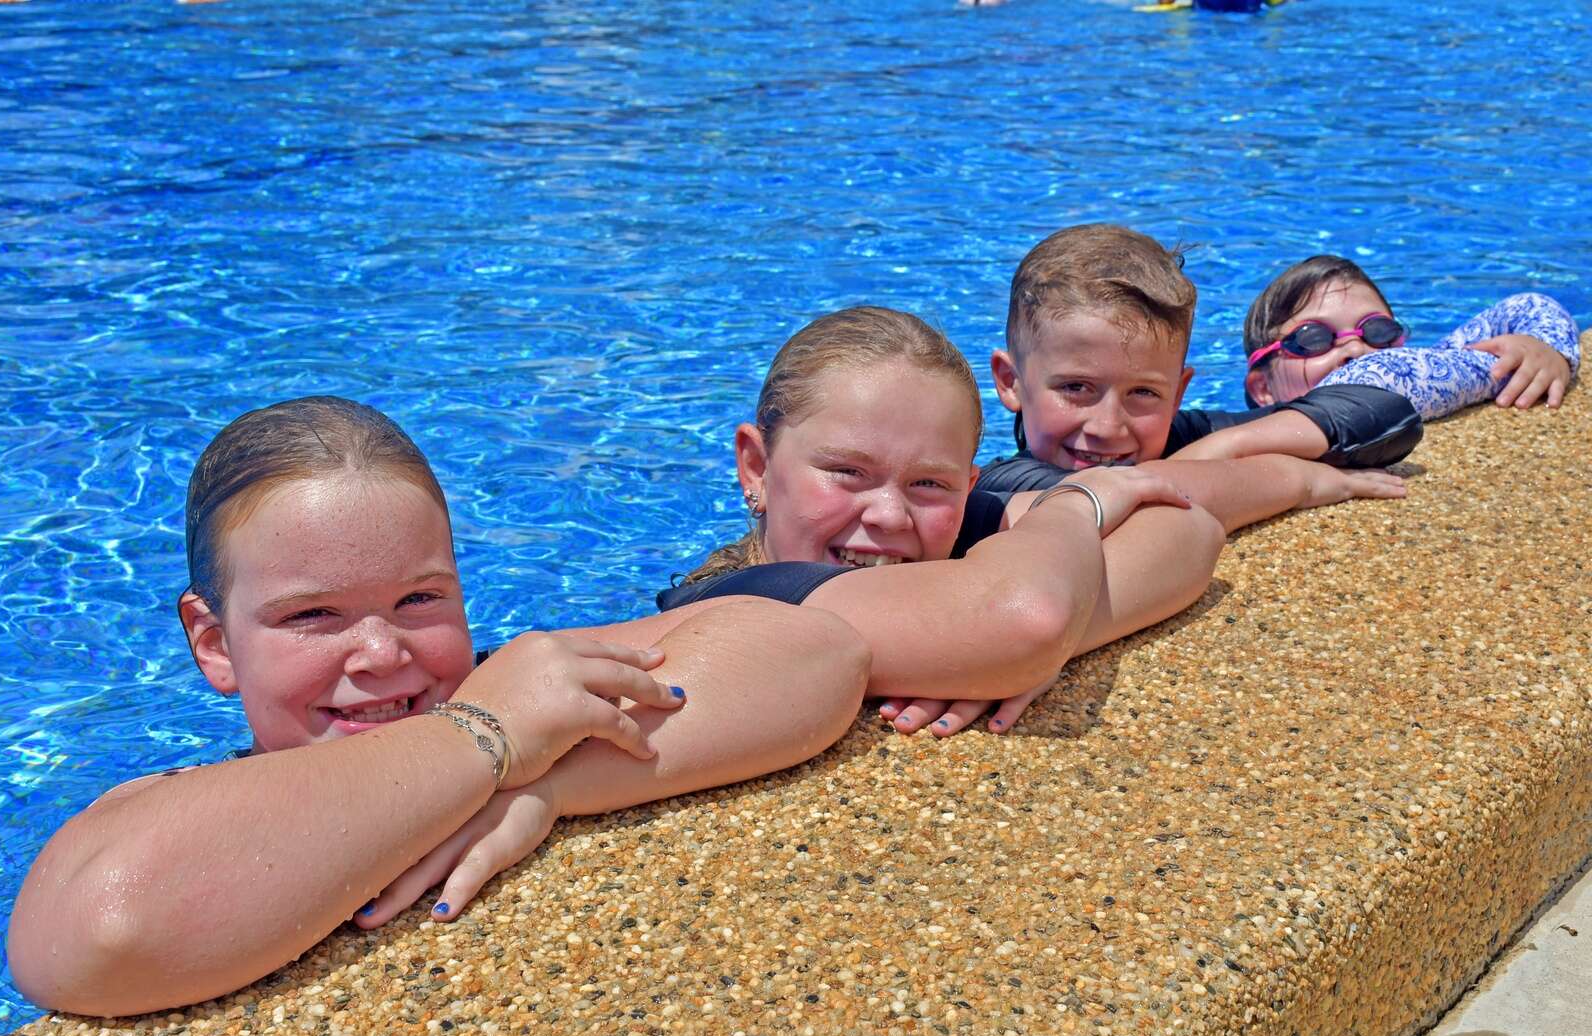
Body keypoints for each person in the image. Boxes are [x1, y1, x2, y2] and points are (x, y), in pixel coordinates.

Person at [8, 396, 869, 1018]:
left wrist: (546, 786)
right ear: (214, 643)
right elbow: (100, 934)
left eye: (421, 601)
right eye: (313, 616)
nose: (383, 655)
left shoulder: (516, 695)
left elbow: (817, 654)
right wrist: (476, 742)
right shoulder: (193, 812)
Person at [659, 305, 1367, 739]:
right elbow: (1025, 615)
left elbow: (1186, 530)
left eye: (929, 482)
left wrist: (1030, 640)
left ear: (969, 485)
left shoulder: (962, 528)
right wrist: (1073, 516)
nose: (888, 513)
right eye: (847, 472)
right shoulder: (742, 597)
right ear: (756, 466)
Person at [976, 224, 1425, 492]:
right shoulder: (997, 491)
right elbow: (1103, 502)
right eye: (1076, 388)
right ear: (1010, 382)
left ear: (1178, 394)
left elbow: (1385, 410)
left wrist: (1224, 448)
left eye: (1144, 393)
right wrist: (1294, 480)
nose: (1108, 426)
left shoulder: (1183, 438)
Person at [1238, 254, 1579, 421]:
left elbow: (1530, 305)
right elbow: (1379, 377)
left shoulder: (1425, 371)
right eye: (1314, 338)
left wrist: (1544, 351)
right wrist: (1495, 367)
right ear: (1263, 389)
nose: (1356, 348)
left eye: (1377, 331)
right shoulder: (1252, 439)